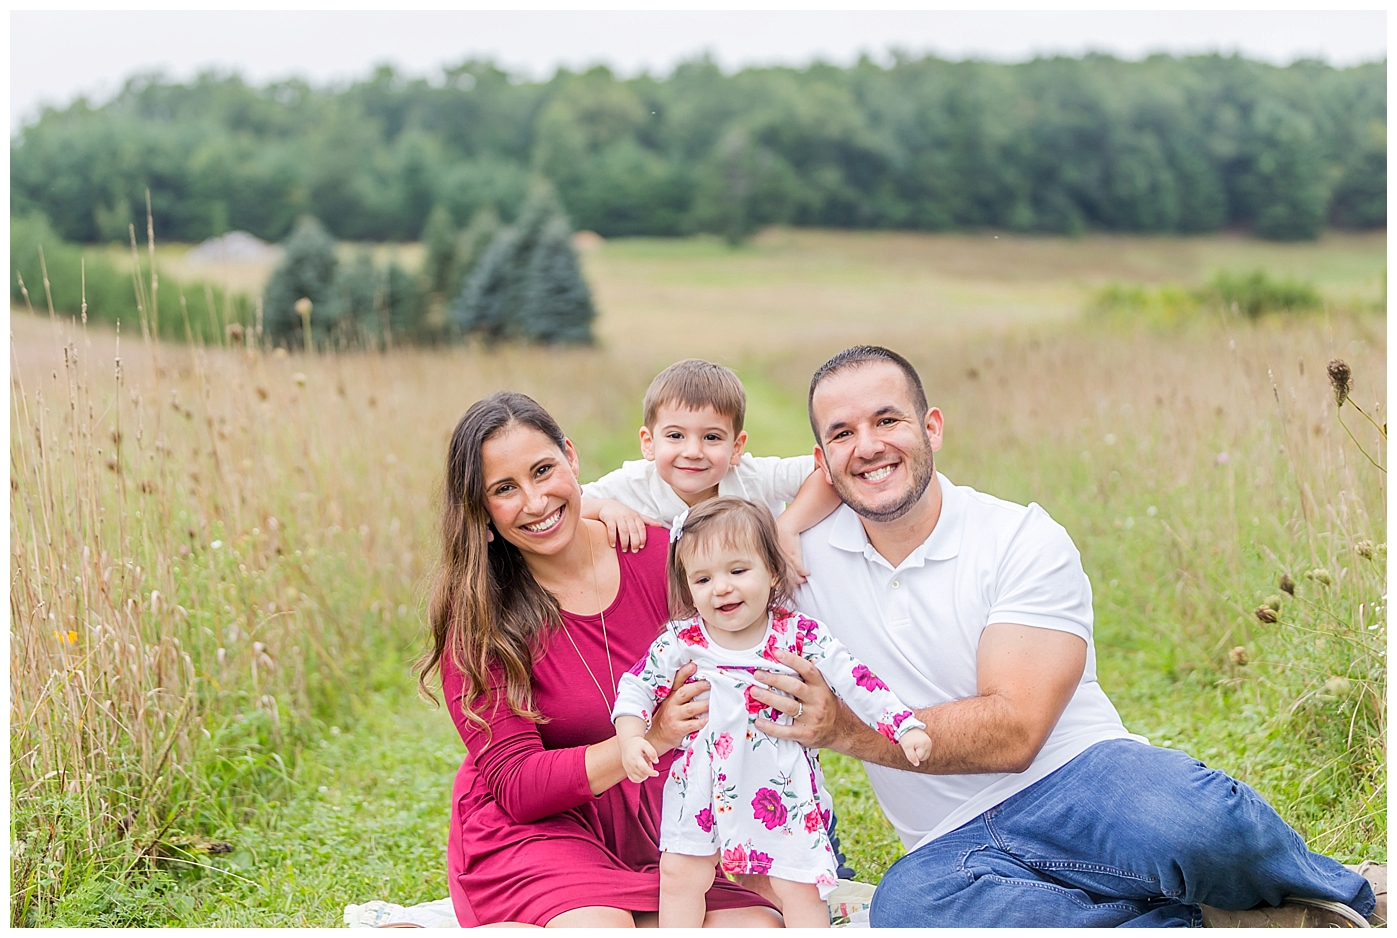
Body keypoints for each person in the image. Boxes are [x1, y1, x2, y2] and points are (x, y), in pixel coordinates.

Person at [744, 345, 1377, 928]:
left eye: (888, 421)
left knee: (1197, 827)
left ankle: (1343, 897)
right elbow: (683, 471)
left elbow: (1016, 731)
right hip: (951, 841)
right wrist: (638, 512)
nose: (868, 446)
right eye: (842, 434)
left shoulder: (1018, 537)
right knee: (908, 910)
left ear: (931, 427)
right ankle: (1201, 923)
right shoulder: (798, 565)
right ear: (821, 461)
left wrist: (847, 732)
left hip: (1081, 776)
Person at [418, 391, 780, 927]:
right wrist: (649, 739)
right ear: (483, 511)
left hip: (663, 816)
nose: (536, 501)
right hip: (538, 825)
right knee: (600, 927)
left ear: (572, 457)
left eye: (544, 470)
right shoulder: (479, 615)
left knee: (756, 927)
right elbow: (516, 785)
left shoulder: (664, 557)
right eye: (504, 489)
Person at [611, 498, 932, 928]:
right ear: (688, 588)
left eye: (737, 571)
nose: (721, 588)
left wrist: (903, 725)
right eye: (703, 578)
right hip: (703, 783)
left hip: (779, 787)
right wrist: (632, 738)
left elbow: (857, 679)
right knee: (680, 874)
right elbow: (637, 686)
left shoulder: (797, 634)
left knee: (797, 882)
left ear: (772, 572)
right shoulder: (682, 640)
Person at [580, 358, 839, 575]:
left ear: (736, 447)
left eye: (711, 437)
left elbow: (834, 469)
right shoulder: (633, 484)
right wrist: (604, 507)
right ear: (648, 443)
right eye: (675, 436)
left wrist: (786, 527)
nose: (693, 452)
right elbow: (568, 504)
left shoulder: (752, 477)